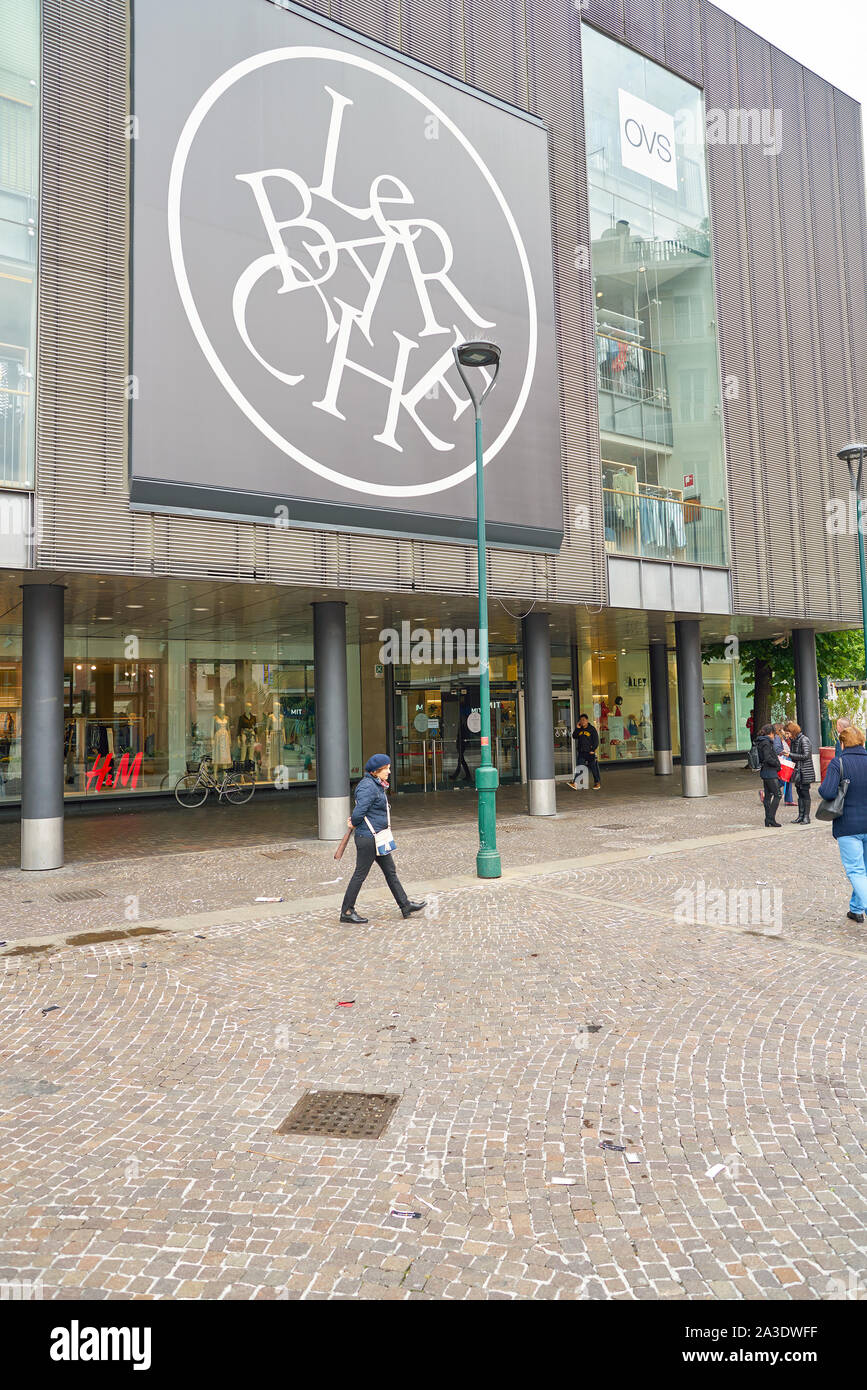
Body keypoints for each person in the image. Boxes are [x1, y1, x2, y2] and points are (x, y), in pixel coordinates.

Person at [339, 754, 426, 925]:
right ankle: (347, 911)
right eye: (386, 768)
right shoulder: (367, 787)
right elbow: (357, 814)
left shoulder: (376, 785)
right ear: (375, 771)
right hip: (368, 838)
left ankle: (405, 905)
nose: (389, 771)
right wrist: (354, 822)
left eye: (388, 767)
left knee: (390, 871)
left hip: (378, 837)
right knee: (360, 874)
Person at [817, 725, 867, 923]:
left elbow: (828, 792)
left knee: (856, 870)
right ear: (862, 742)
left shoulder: (839, 763)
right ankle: (855, 909)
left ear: (842, 743)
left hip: (848, 826)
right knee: (864, 870)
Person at [784, 719, 815, 824]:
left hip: (805, 771)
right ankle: (800, 816)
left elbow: (806, 756)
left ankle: (806, 817)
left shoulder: (803, 740)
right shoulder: (794, 741)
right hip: (797, 771)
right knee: (799, 793)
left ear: (793, 732)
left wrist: (790, 755)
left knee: (805, 793)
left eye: (787, 733)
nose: (786, 735)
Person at [755, 723, 782, 827]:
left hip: (765, 771)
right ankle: (770, 818)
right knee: (777, 795)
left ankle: (768, 819)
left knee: (768, 796)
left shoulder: (761, 741)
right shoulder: (766, 742)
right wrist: (776, 763)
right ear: (771, 733)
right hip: (770, 772)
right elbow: (767, 757)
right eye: (774, 734)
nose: (774, 736)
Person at [569, 713, 601, 790]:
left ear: (587, 720)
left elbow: (596, 741)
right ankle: (575, 783)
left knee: (593, 768)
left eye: (583, 720)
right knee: (580, 767)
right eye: (581, 720)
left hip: (590, 752)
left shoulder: (592, 729)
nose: (582, 722)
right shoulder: (580, 729)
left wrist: (593, 750)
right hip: (582, 752)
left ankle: (597, 783)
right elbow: (574, 736)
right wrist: (577, 728)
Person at [773, 722, 795, 810]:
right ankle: (768, 791)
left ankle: (789, 799)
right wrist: (787, 754)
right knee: (783, 779)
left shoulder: (781, 738)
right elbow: (778, 749)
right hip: (784, 760)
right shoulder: (777, 738)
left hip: (785, 760)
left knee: (787, 779)